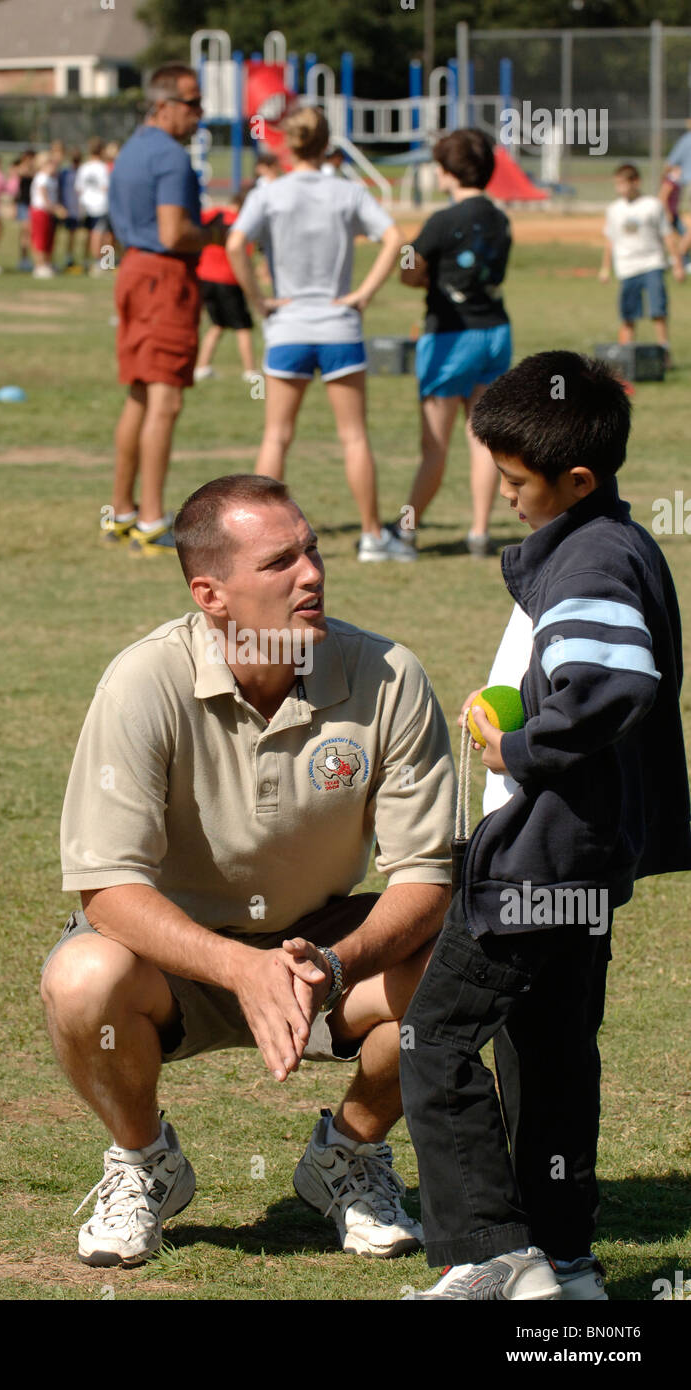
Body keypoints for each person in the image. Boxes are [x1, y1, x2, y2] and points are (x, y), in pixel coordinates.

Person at [41, 474, 456, 1268]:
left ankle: (350, 1155)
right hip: (177, 951)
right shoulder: (143, 680)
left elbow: (425, 880)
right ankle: (142, 1164)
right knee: (81, 979)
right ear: (211, 593)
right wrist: (241, 968)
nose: (311, 574)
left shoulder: (389, 675)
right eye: (278, 563)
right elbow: (107, 886)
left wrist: (328, 964)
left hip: (324, 946)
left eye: (313, 550)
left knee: (459, 972)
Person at [398, 351, 691, 1300]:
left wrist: (515, 749)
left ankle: (490, 1252)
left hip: (539, 859)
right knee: (549, 1057)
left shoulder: (593, 556)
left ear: (576, 479)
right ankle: (564, 1264)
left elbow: (612, 683)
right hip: (581, 863)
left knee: (434, 1040)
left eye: (516, 482)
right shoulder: (608, 540)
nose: (504, 495)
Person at [227, 108, 408, 562]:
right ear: (327, 142)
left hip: (287, 327)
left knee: (276, 436)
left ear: (286, 144)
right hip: (338, 325)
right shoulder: (347, 191)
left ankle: (257, 539)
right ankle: (371, 537)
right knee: (354, 437)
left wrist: (260, 301)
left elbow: (234, 244)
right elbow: (395, 238)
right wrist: (362, 294)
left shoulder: (270, 193)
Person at [104, 64, 224, 553]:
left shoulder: (130, 150)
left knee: (138, 394)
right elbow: (175, 232)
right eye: (193, 103)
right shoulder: (172, 158)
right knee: (165, 400)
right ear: (164, 104)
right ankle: (153, 520)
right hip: (164, 277)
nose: (200, 114)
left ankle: (122, 511)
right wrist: (215, 233)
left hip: (134, 270)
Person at [399, 128, 513, 561]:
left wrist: (416, 268)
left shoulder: (443, 220)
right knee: (482, 440)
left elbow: (407, 265)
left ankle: (406, 532)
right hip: (496, 334)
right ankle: (480, 532)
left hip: (449, 337)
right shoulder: (500, 218)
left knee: (434, 445)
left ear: (446, 171)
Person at [600, 163, 684, 366]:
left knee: (658, 310)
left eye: (623, 184)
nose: (620, 189)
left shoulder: (652, 205)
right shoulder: (614, 209)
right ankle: (625, 358)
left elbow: (667, 235)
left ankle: (664, 354)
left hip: (652, 263)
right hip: (627, 268)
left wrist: (677, 263)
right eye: (617, 185)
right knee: (628, 314)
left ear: (635, 182)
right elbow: (610, 240)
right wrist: (605, 267)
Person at [194, 192, 256, 384]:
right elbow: (243, 256)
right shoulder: (241, 225)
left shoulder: (213, 214)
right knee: (243, 327)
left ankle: (202, 367)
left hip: (204, 276)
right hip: (228, 279)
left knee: (217, 324)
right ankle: (250, 371)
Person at [75, 137, 112, 275]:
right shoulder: (103, 168)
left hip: (86, 205)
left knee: (90, 234)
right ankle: (101, 263)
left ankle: (89, 261)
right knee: (101, 234)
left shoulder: (84, 167)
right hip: (101, 205)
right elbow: (105, 187)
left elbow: (79, 188)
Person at [29, 151, 64, 279]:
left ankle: (47, 263)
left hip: (48, 212)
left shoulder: (51, 178)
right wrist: (57, 209)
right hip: (40, 211)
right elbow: (44, 198)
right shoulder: (42, 178)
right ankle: (40, 265)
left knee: (49, 239)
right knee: (40, 239)